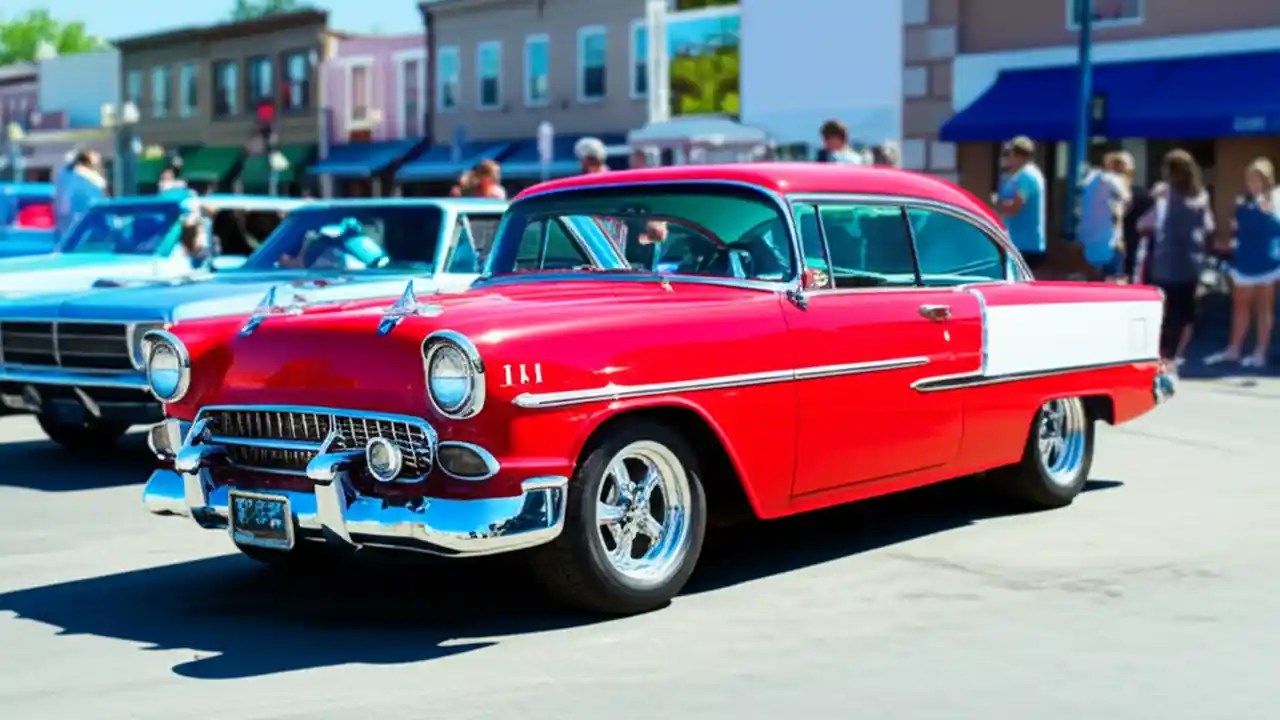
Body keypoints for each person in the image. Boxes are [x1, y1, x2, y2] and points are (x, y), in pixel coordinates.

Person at [1138, 149, 1215, 369]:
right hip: (1191, 262)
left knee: (1164, 314)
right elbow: (1209, 226)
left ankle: (1162, 355)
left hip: (1165, 263)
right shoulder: (1201, 196)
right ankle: (1176, 356)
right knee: (1185, 314)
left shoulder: (1165, 194)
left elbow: (1143, 224)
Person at [1205, 158, 1279, 368]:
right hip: (1244, 260)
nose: (1252, 183)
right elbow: (1238, 229)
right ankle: (1234, 349)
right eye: (1250, 179)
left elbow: (1276, 228)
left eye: (1256, 179)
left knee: (1264, 307)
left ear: (1266, 180)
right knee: (1240, 306)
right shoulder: (1243, 201)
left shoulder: (1276, 198)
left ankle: (1260, 352)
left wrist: (1270, 212)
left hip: (1267, 262)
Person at [995, 136, 1047, 274]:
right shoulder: (1014, 177)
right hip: (1016, 243)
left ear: (1017, 155)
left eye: (1009, 154)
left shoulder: (1027, 176)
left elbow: (1014, 207)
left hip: (1026, 245)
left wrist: (998, 204)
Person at [1078, 151, 1133, 282]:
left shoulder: (1090, 180)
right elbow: (1126, 201)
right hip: (1108, 247)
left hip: (1087, 247)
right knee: (1114, 285)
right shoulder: (1114, 180)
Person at [53, 149, 107, 242]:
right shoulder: (88, 182)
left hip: (72, 231)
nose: (99, 166)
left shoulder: (67, 177)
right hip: (82, 230)